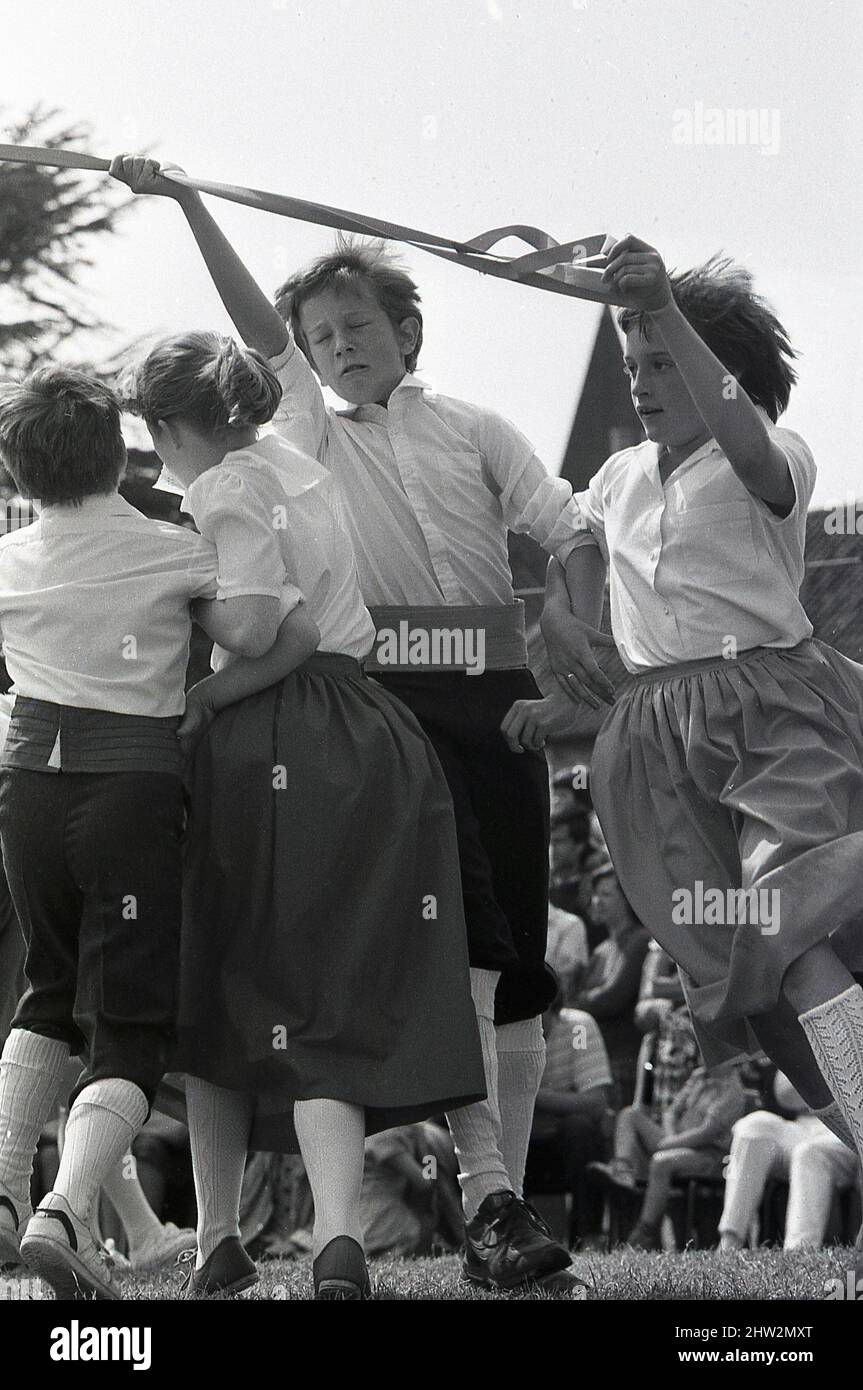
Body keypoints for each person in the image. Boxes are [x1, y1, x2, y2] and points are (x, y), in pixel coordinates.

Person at [109, 153, 583, 1291]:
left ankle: (494, 1212)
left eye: (357, 322)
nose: (337, 344)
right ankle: (477, 1200)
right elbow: (244, 331)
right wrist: (184, 202)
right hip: (375, 706)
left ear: (404, 330)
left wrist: (563, 660)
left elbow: (569, 533)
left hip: (492, 702)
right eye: (317, 333)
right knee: (428, 955)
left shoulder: (475, 426)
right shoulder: (297, 444)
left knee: (508, 959)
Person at [118, 326, 486, 1301]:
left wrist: (175, 599)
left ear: (169, 426)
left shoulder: (222, 482)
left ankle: (218, 1238)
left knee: (221, 989)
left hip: (264, 734)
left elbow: (252, 621)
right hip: (363, 725)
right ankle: (330, 1236)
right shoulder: (293, 453)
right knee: (323, 991)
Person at [518, 236, 863, 1212]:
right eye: (630, 359)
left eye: (661, 358)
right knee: (760, 985)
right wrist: (559, 604)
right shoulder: (619, 473)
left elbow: (747, 444)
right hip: (658, 750)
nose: (640, 377)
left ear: (721, 373)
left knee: (793, 935)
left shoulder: (768, 452)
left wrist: (660, 305)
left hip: (773, 716)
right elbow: (574, 533)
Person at [0, 367, 307, 1298]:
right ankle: (63, 1209)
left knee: (47, 988)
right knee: (130, 1026)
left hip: (25, 788)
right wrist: (210, 695)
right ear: (119, 454)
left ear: (18, 472)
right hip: (130, 790)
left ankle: (8, 1194)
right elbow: (268, 634)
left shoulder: (8, 559)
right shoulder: (170, 550)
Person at [591, 1061, 748, 1250]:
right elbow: (672, 1111)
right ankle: (623, 1169)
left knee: (661, 1162)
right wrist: (671, 1137)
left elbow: (708, 1132)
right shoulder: (699, 1076)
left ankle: (644, 1232)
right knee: (629, 1115)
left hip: (709, 1153)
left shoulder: (732, 1089)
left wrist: (670, 1144)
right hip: (675, 1140)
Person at [719, 1071, 859, 1251]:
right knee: (752, 1127)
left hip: (847, 1131)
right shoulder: (811, 1041)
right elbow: (784, 1095)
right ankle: (730, 1240)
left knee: (809, 1152)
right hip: (806, 1124)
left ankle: (799, 1250)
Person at [525, 1001, 614, 1243]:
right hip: (518, 1144)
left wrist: (531, 1096)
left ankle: (589, 1236)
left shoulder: (578, 1028)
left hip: (560, 1147)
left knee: (581, 1130)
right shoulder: (499, 1031)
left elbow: (596, 1102)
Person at [569, 865, 649, 1102]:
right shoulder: (601, 950)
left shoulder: (639, 940)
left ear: (626, 898)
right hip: (595, 1056)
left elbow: (612, 998)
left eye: (605, 894)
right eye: (595, 895)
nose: (596, 901)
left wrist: (578, 1002)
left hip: (621, 1057)